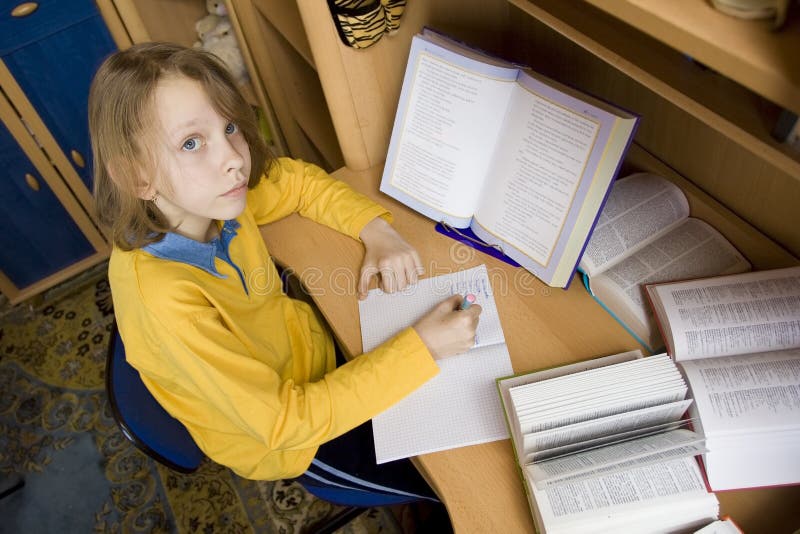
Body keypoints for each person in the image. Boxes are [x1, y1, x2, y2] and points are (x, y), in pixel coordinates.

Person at [89, 42, 482, 503]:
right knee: (455, 486)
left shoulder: (213, 203)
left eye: (229, 126)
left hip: (312, 360)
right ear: (137, 177)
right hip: (298, 441)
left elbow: (293, 182)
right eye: (192, 143)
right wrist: (425, 347)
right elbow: (284, 424)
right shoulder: (166, 302)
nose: (234, 157)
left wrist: (377, 231)